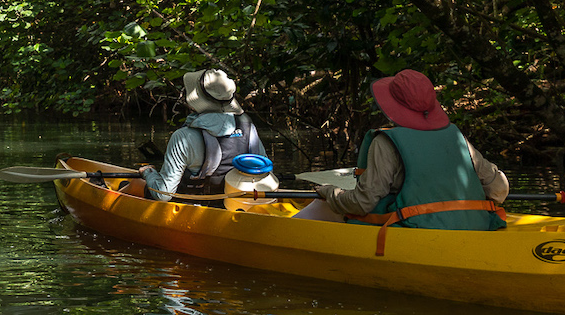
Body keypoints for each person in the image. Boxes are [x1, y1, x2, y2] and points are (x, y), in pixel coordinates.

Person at [293, 68, 508, 228]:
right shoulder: (457, 138)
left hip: (416, 227)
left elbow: (362, 203)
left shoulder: (385, 143)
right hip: (472, 223)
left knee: (326, 204)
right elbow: (499, 190)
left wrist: (329, 191)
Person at [141, 69, 266, 201]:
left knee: (136, 185)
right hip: (240, 203)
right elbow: (265, 174)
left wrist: (148, 172)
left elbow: (163, 195)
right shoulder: (249, 129)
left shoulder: (183, 137)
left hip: (198, 206)